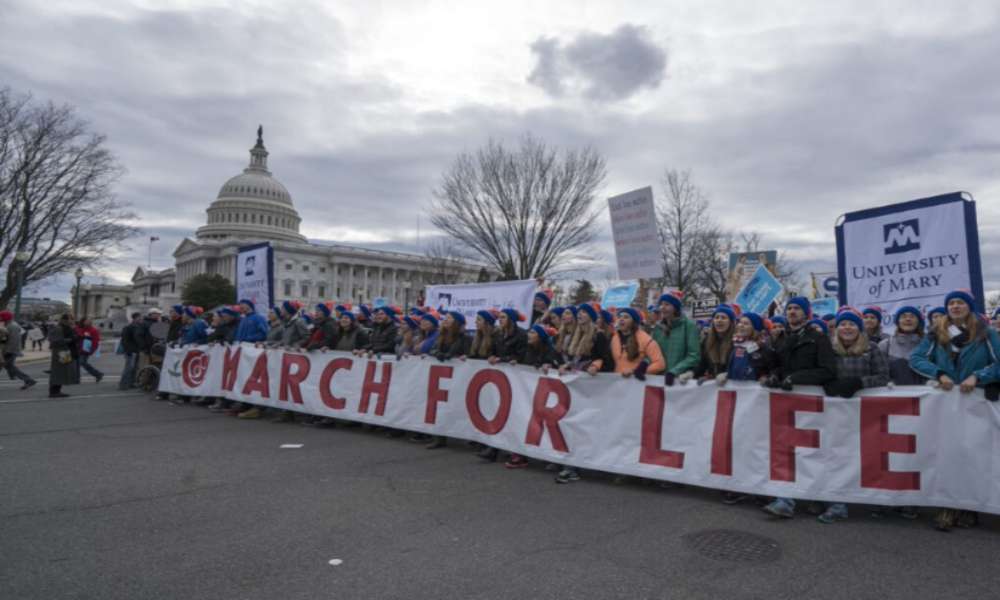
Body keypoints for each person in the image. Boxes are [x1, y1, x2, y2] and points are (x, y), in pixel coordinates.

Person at [910, 290, 1000, 532]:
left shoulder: (985, 332)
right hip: (947, 401)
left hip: (976, 401)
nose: (955, 306)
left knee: (973, 452)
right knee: (946, 451)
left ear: (969, 307)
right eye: (951, 303)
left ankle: (970, 507)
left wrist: (978, 376)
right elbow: (916, 358)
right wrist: (939, 373)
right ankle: (947, 506)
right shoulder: (937, 332)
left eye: (960, 302)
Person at [762, 297, 836, 519]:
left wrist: (796, 378)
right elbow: (777, 365)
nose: (792, 312)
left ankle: (823, 498)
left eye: (797, 309)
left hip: (810, 404)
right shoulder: (782, 338)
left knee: (812, 453)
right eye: (790, 308)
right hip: (787, 403)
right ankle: (786, 500)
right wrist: (775, 376)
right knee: (787, 452)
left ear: (807, 313)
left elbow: (828, 370)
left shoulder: (818, 338)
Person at [813, 308, 889, 524]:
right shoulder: (828, 348)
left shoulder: (871, 348)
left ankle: (875, 499)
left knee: (865, 456)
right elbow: (819, 370)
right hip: (833, 412)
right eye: (843, 324)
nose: (847, 328)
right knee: (834, 456)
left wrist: (858, 384)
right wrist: (826, 382)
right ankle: (837, 504)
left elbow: (884, 377)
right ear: (837, 329)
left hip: (864, 414)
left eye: (852, 324)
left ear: (860, 328)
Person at [478, 309, 528, 464]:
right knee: (499, 412)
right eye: (499, 317)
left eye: (503, 317)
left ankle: (517, 451)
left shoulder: (521, 334)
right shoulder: (498, 334)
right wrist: (492, 357)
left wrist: (504, 359)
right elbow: (493, 352)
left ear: (511, 319)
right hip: (502, 378)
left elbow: (522, 355)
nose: (500, 320)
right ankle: (494, 447)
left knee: (515, 414)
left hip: (516, 379)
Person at [650, 292, 701, 386]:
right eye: (661, 304)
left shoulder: (689, 326)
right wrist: (644, 366)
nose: (662, 307)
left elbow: (694, 356)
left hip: (679, 380)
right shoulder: (658, 328)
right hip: (658, 379)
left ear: (675, 308)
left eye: (667, 304)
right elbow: (651, 353)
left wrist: (674, 371)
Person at [610, 308, 665, 379]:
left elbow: (660, 364)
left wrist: (637, 371)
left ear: (634, 322)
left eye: (626, 317)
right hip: (617, 383)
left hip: (636, 384)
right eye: (620, 317)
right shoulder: (614, 338)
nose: (621, 319)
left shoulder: (646, 339)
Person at [878, 306, 926, 386]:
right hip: (894, 394)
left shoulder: (927, 345)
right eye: (903, 316)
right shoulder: (885, 345)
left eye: (912, 316)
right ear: (898, 322)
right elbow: (879, 372)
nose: (908, 319)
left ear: (918, 322)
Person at [691, 305, 737, 382]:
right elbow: (702, 364)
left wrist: (728, 374)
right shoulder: (707, 340)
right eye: (716, 317)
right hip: (714, 386)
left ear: (731, 322)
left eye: (723, 317)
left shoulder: (737, 341)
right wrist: (692, 373)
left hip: (733, 385)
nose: (719, 320)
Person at [1, 311, 36, 390]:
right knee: (9, 366)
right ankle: (27, 380)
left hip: (10, 350)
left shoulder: (12, 326)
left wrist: (6, 351)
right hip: (10, 350)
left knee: (9, 366)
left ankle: (28, 380)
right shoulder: (10, 325)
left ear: (5, 317)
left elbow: (13, 341)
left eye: (1, 317)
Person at [47, 314, 80, 398]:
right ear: (64, 320)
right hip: (60, 353)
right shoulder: (58, 328)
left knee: (62, 373)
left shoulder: (66, 328)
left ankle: (56, 391)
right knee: (58, 372)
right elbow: (55, 341)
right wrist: (71, 339)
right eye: (70, 319)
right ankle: (54, 392)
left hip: (64, 352)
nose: (72, 321)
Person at [119, 312, 146, 390]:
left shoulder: (138, 327)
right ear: (135, 318)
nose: (141, 319)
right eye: (140, 317)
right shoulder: (128, 327)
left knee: (135, 368)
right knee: (129, 368)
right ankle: (123, 384)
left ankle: (131, 383)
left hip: (137, 350)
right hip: (130, 351)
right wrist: (127, 350)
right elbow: (124, 340)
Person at [74, 317, 104, 383]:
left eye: (90, 321)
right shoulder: (78, 328)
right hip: (76, 348)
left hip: (85, 350)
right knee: (76, 364)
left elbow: (96, 341)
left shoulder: (93, 330)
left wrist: (92, 350)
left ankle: (97, 374)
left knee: (82, 362)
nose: (90, 322)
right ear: (83, 321)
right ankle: (76, 379)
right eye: (87, 321)